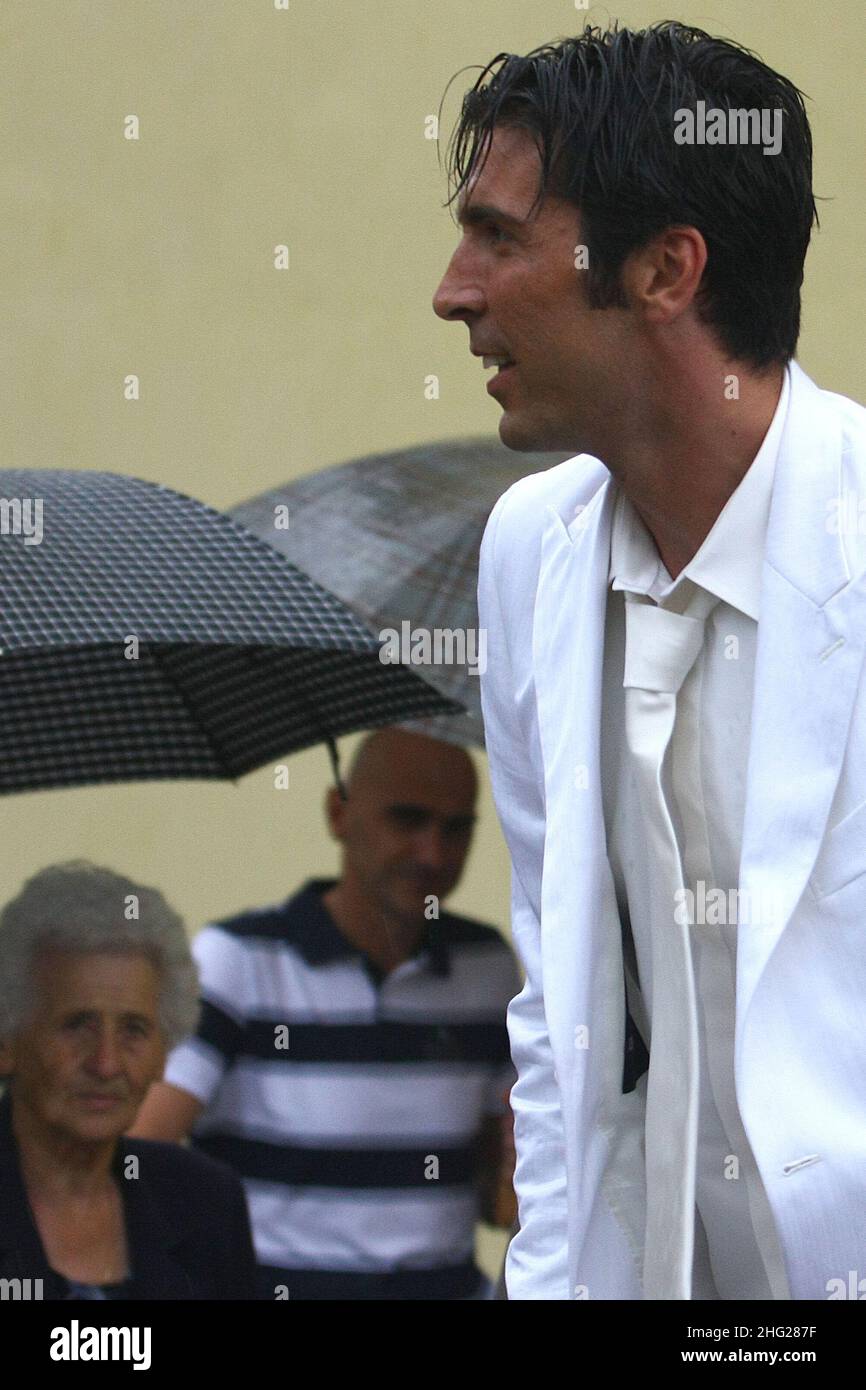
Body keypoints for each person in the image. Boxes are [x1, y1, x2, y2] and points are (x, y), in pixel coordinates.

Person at [433, 21, 866, 1300]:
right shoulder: (529, 550)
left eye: (499, 236)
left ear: (665, 268)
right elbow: (557, 1023)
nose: (452, 290)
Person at [133, 727, 521, 1299]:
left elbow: (502, 1197)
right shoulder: (237, 962)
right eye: (408, 820)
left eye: (456, 828)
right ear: (338, 814)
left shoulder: (487, 968)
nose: (433, 853)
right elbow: (135, 1160)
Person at [0, 861, 257, 1299]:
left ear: (164, 1054)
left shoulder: (205, 1202)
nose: (106, 1064)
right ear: (7, 1042)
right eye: (77, 1025)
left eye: (134, 1030)